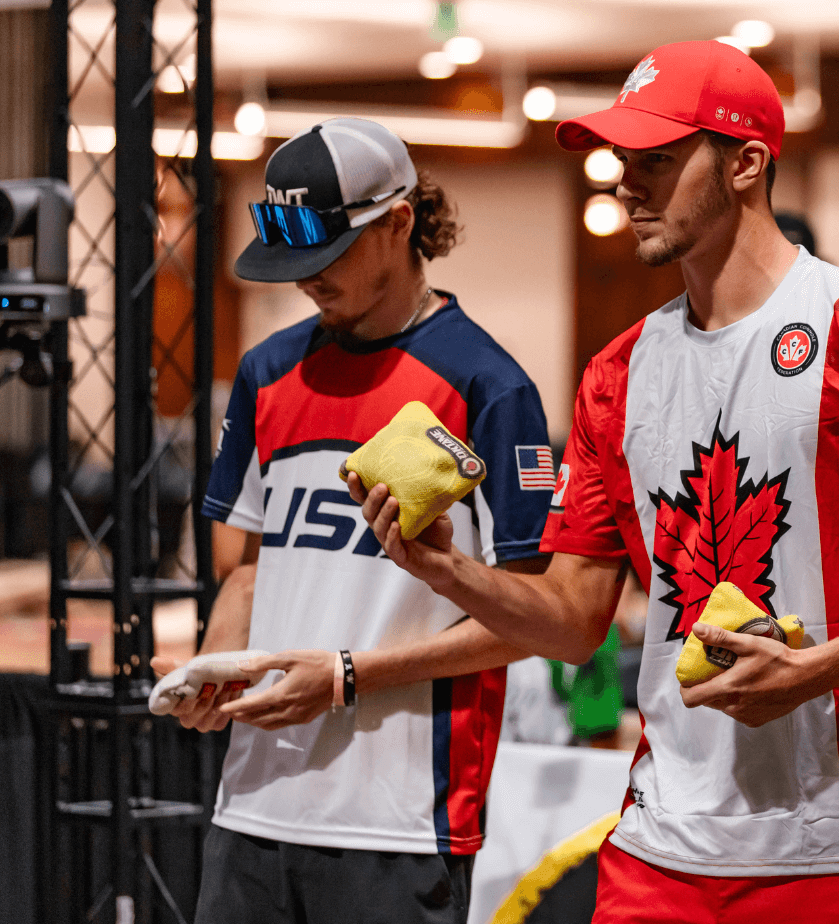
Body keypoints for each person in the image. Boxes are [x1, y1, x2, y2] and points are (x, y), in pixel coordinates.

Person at [349, 40, 839, 924]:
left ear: (748, 163)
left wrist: (816, 670)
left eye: (659, 160)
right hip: (662, 839)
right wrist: (446, 570)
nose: (627, 182)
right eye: (623, 160)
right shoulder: (617, 372)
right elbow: (570, 622)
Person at [149, 118, 554, 924]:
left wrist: (344, 677)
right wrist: (213, 667)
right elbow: (256, 568)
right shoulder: (268, 372)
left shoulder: (488, 386)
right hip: (252, 805)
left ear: (399, 221)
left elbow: (534, 622)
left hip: (399, 820)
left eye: (326, 255)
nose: (306, 280)